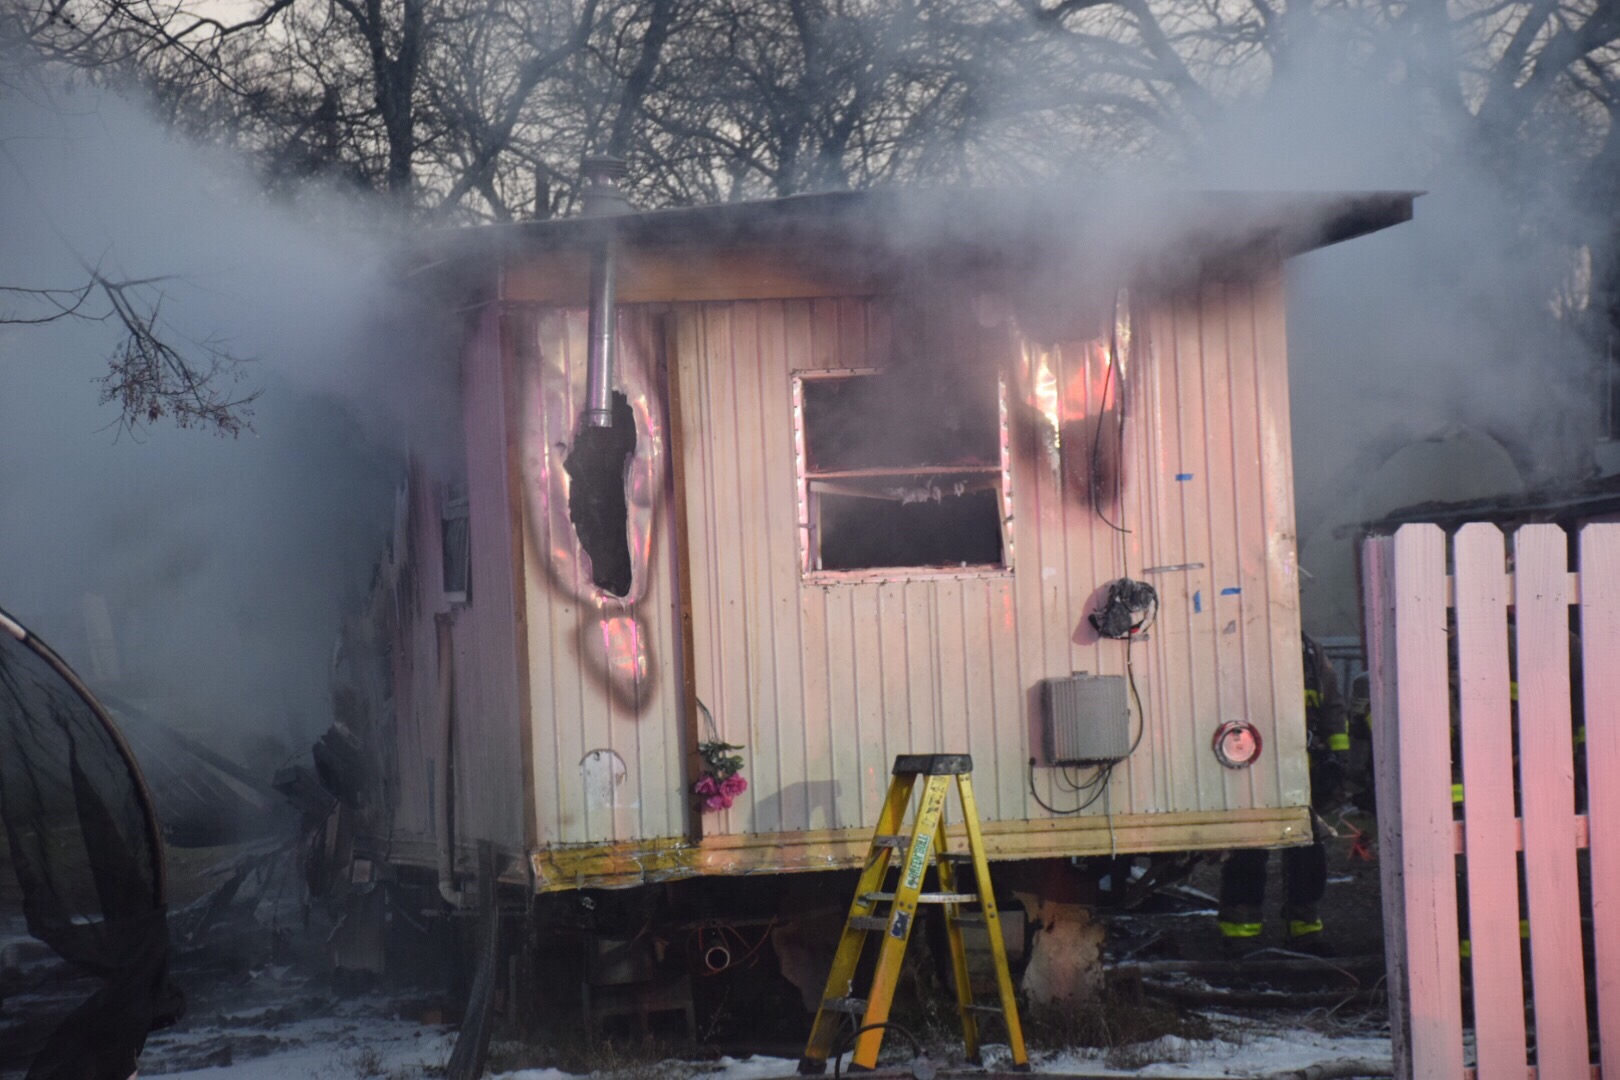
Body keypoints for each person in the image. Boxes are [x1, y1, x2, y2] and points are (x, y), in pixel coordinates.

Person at [1215, 634, 1349, 956]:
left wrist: (1338, 762)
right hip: (1249, 771)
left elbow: (1332, 706)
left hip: (1302, 771)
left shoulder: (1309, 650)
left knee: (1307, 853)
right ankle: (1240, 937)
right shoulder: (1235, 645)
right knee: (1248, 851)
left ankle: (1304, 932)